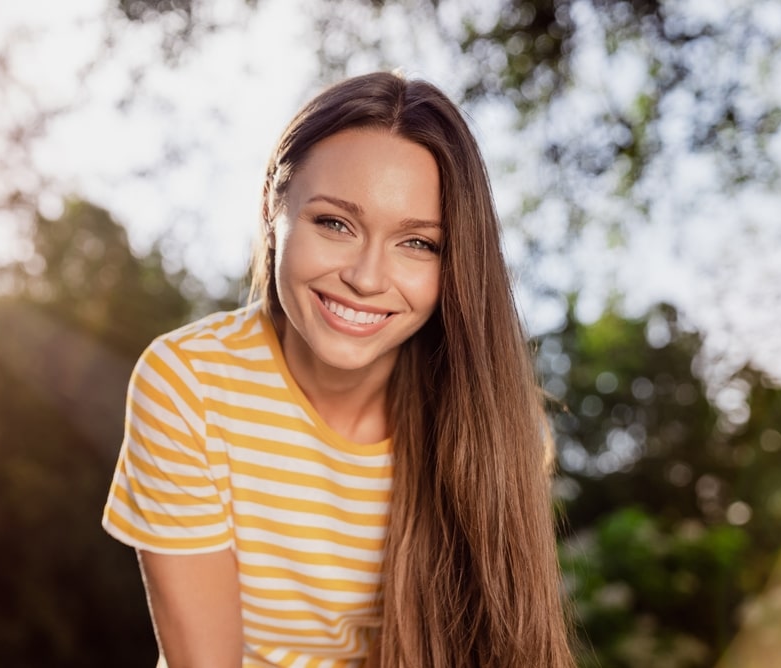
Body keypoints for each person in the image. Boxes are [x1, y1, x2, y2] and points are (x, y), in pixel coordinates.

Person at [102, 71, 574, 668]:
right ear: (277, 214)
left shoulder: (484, 425)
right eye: (335, 223)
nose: (368, 277)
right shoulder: (187, 385)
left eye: (418, 244)